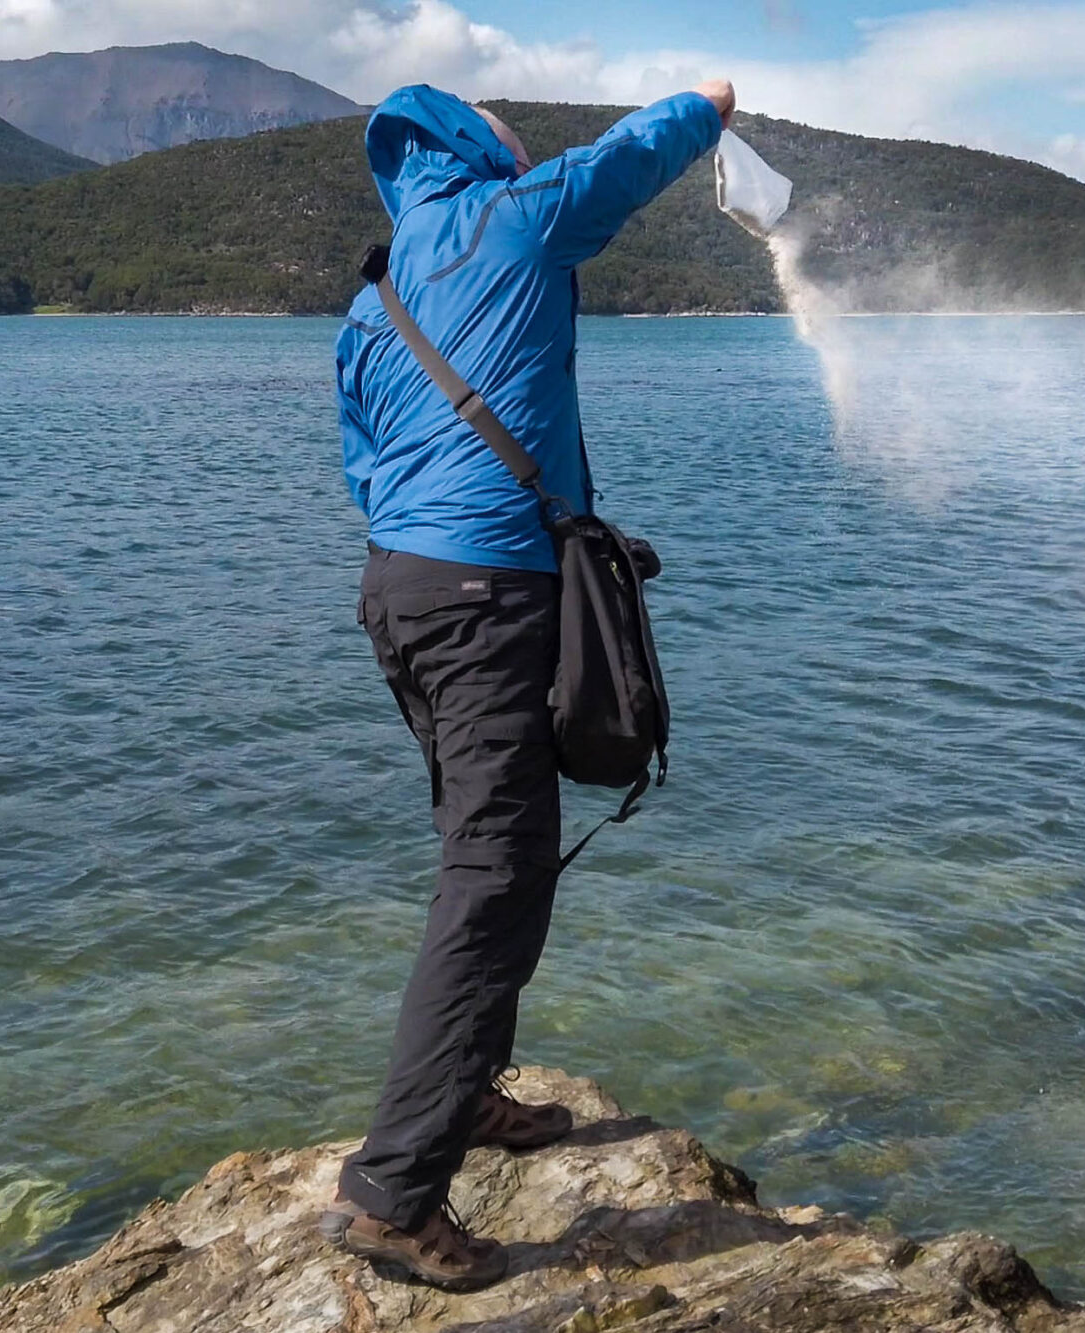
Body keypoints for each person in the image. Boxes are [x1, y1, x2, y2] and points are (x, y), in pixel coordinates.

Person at [318, 80, 737, 1291]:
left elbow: (364, 462)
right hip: (483, 597)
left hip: (398, 590)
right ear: (467, 146)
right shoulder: (514, 216)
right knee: (493, 874)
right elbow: (622, 158)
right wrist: (704, 106)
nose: (518, 143)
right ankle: (393, 1194)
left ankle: (465, 1095)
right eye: (501, 133)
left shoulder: (372, 297)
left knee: (489, 843)